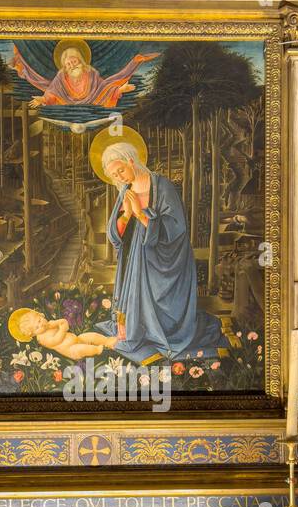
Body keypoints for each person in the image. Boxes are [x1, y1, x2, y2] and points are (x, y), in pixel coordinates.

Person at [94, 137, 222, 364]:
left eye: (120, 171)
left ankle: (160, 332)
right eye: (114, 176)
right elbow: (115, 234)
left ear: (131, 161)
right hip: (133, 259)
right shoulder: (126, 190)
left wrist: (141, 214)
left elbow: (176, 228)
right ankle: (135, 329)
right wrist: (127, 214)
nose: (119, 178)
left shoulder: (162, 186)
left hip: (162, 260)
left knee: (161, 309)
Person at [13, 38, 158, 109]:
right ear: (64, 66)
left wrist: (120, 90)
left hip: (93, 103)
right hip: (68, 106)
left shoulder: (91, 74)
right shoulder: (61, 77)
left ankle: (133, 67)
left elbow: (103, 89)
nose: (72, 65)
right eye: (68, 64)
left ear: (81, 61)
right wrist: (42, 100)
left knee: (110, 85)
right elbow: (52, 93)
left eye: (74, 61)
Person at [9, 308, 118, 360]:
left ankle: (107, 341)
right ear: (32, 334)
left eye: (39, 321)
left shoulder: (49, 324)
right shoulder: (42, 338)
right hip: (71, 350)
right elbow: (55, 341)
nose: (41, 325)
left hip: (77, 338)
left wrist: (61, 323)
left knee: (90, 336)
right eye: (36, 328)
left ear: (41, 315)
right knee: (81, 349)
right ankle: (98, 350)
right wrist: (62, 330)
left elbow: (63, 322)